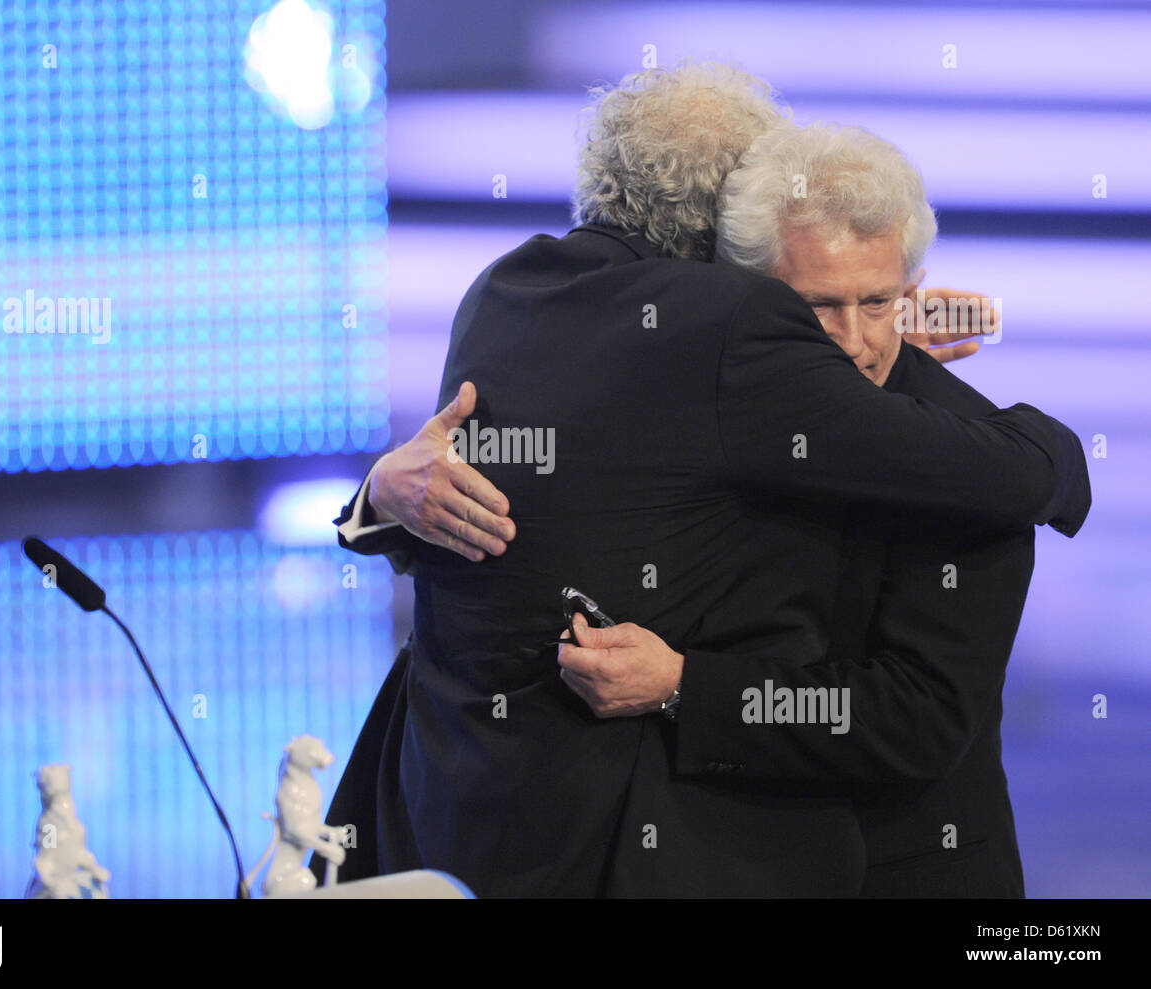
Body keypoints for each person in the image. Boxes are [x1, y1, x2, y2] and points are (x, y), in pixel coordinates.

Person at [319, 64, 1089, 897]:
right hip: (636, 837)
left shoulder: (504, 290)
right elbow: (997, 470)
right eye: (820, 306)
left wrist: (375, 497)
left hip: (442, 812)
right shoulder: (733, 329)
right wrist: (1054, 453)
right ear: (738, 221)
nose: (850, 334)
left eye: (876, 301)